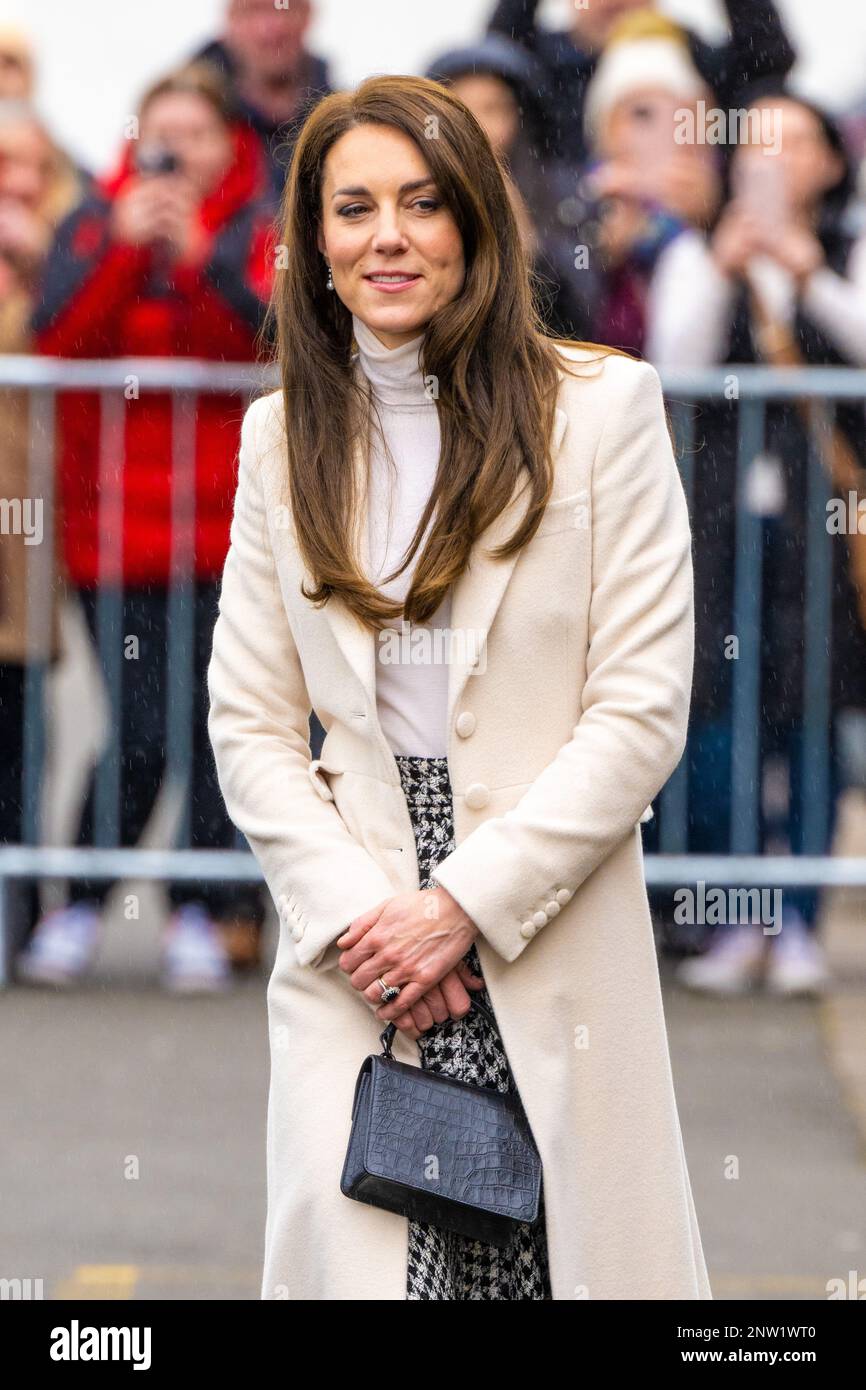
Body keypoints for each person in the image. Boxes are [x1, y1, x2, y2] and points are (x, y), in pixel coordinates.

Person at [207, 73, 711, 1300]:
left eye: (424, 204)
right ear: (313, 244)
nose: (388, 235)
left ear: (476, 226)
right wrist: (367, 918)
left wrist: (464, 906)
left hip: (541, 919)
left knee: (556, 1272)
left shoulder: (602, 411)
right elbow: (251, 722)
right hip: (359, 946)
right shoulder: (280, 441)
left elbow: (638, 709)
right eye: (354, 207)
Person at [17, 63, 277, 991]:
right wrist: (128, 253)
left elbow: (270, 345)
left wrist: (202, 260)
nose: (176, 154)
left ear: (227, 144)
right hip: (116, 534)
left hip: (225, 531)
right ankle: (83, 901)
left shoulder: (259, 228)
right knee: (140, 726)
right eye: (160, 134)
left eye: (196, 135)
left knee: (221, 727)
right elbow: (57, 346)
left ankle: (199, 910)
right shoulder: (92, 223)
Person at [646, 90, 866, 995]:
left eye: (794, 145)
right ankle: (735, 916)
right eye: (756, 146)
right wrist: (725, 259)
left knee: (811, 710)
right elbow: (672, 361)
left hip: (825, 522)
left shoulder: (845, 253)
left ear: (827, 162)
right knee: (724, 712)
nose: (773, 163)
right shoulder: (699, 255)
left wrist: (807, 271)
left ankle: (805, 920)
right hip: (723, 519)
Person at [0, 99, 85, 950]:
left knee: (24, 716)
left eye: (31, 164)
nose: (17, 184)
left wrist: (45, 271)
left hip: (32, 526)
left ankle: (19, 901)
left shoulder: (75, 241)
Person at [487, 0, 796, 167]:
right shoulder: (540, 69)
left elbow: (768, 65)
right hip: (570, 266)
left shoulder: (696, 60)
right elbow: (491, 66)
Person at [193, 0, 331, 198]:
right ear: (230, 20)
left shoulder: (340, 124)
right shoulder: (177, 116)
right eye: (254, 11)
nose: (271, 29)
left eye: (286, 9)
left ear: (308, 16)